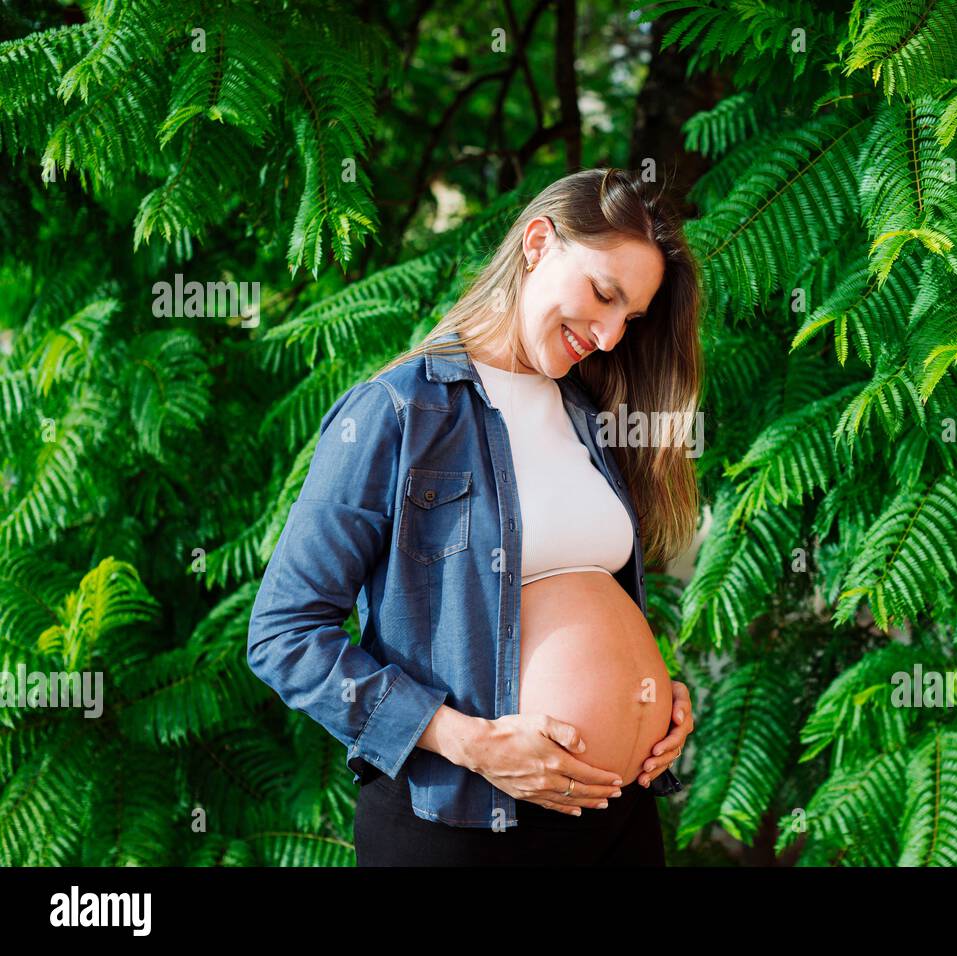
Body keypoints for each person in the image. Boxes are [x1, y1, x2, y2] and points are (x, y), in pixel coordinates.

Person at [247, 167, 702, 865]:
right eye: (602, 295)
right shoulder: (397, 412)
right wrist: (467, 739)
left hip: (619, 816)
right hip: (465, 825)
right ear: (538, 242)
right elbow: (283, 633)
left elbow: (579, 605)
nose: (610, 337)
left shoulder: (588, 417)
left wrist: (654, 697)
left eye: (629, 319)